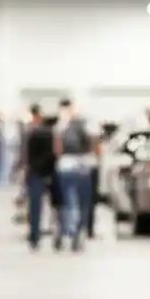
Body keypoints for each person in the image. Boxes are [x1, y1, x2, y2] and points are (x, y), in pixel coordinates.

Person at [54, 99, 99, 252]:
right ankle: (78, 234)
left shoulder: (62, 125)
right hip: (84, 167)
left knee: (67, 202)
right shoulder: (88, 125)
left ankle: (65, 232)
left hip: (66, 167)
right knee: (83, 204)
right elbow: (95, 145)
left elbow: (57, 148)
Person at [22, 105, 57, 249]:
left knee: (35, 206)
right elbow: (52, 155)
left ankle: (34, 236)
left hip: (35, 172)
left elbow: (28, 156)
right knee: (58, 206)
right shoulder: (51, 134)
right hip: (49, 172)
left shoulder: (33, 133)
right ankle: (58, 235)